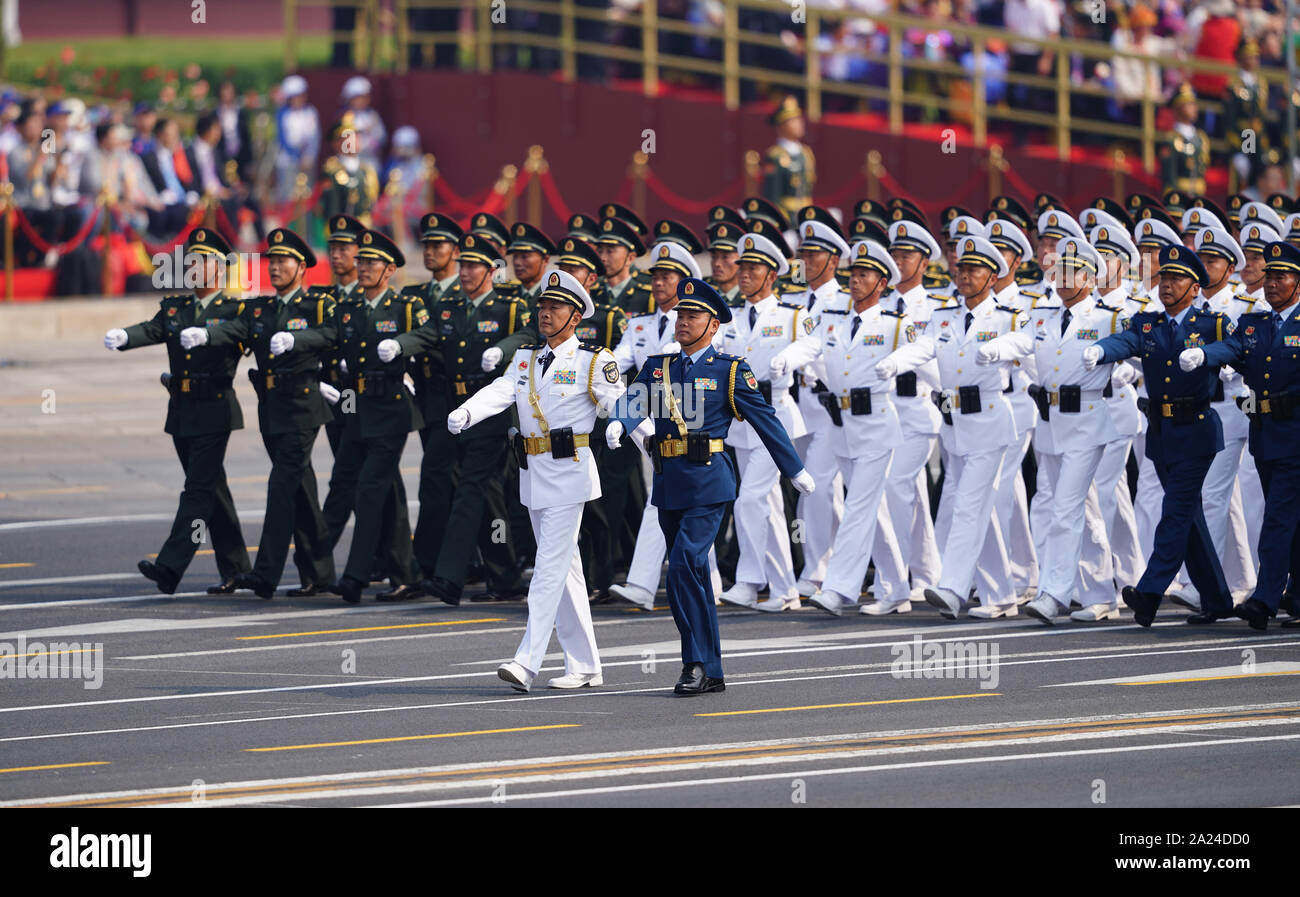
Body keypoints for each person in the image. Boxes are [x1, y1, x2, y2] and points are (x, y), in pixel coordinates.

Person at [613, 278, 814, 695]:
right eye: (679, 316)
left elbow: (766, 421)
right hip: (669, 481)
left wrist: (793, 468)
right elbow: (634, 402)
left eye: (691, 316)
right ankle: (708, 667)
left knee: (685, 563)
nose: (682, 322)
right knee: (693, 576)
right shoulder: (658, 366)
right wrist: (621, 421)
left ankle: (696, 663)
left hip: (709, 481)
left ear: (713, 325)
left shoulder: (729, 370)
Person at [449, 270, 625, 691]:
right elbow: (503, 390)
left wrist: (625, 425)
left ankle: (527, 661)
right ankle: (585, 666)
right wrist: (468, 412)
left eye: (556, 308)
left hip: (570, 473)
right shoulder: (526, 357)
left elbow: (621, 400)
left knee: (547, 567)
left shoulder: (594, 360)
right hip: (533, 473)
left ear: (576, 316)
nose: (546, 314)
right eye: (543, 306)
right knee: (566, 571)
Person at [180, 228, 338, 598]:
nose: (276, 267)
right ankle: (321, 572)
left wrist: (298, 339)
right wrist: (207, 335)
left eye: (283, 260)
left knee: (281, 485)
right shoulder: (260, 308)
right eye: (272, 260)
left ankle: (265, 574)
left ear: (301, 267)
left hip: (303, 408)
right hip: (271, 409)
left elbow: (333, 333)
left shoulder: (317, 305)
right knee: (300, 490)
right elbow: (236, 328)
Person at [1084, 244, 1235, 627]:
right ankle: (1217, 599)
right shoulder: (1148, 322)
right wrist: (1101, 350)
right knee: (1189, 518)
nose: (1167, 285)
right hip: (1162, 431)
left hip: (1197, 430)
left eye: (1177, 278)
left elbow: (1233, 346)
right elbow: (1127, 342)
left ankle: (1149, 592)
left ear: (1195, 285)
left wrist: (1209, 356)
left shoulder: (1211, 323)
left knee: (1175, 511)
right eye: (1164, 278)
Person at [881, 235, 1029, 621]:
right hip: (956, 425)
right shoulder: (944, 316)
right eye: (961, 268)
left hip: (991, 422)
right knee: (982, 509)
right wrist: (896, 362)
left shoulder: (1007, 315)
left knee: (968, 505)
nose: (964, 276)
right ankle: (1000, 594)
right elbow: (925, 346)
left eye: (974, 269)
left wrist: (1001, 349)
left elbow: (1025, 341)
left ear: (992, 275)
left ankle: (953, 587)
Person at [978, 239, 1121, 624]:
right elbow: (1023, 339)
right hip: (1052, 420)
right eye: (1057, 271)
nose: (1060, 279)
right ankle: (1101, 592)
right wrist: (996, 348)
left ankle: (1054, 592)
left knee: (1066, 508)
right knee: (1080, 508)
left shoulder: (1107, 316)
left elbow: (1134, 348)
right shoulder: (1043, 315)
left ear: (1090, 277)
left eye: (1071, 272)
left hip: (1088, 419)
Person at [104, 228, 251, 596]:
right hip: (182, 411)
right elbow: (153, 329)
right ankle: (237, 569)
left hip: (215, 410)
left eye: (203, 261)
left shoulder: (234, 310)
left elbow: (245, 333)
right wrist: (125, 337)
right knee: (213, 491)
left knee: (197, 491)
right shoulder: (177, 308)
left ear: (219, 269)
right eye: (191, 261)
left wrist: (210, 335)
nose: (194, 267)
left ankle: (170, 567)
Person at [397, 232, 530, 605]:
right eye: (463, 266)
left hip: (489, 412)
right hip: (453, 410)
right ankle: (503, 576)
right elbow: (429, 334)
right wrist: (399, 347)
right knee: (466, 490)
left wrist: (502, 349)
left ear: (491, 270)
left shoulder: (509, 306)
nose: (466, 272)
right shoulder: (450, 306)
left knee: (472, 490)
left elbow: (531, 332)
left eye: (473, 267)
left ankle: (449, 577)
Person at [1180, 241, 1300, 630]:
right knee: (1289, 519)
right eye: (1269, 276)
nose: (1272, 283)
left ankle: (1265, 599)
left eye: (1282, 276)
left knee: (1278, 518)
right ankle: (1297, 597)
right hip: (1266, 433)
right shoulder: (1255, 323)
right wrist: (1204, 355)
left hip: (1297, 435)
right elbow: (1232, 347)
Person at [799, 240, 915, 616]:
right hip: (842, 426)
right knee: (871, 509)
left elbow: (923, 351)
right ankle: (897, 587)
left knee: (858, 506)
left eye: (865, 275)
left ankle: (839, 588)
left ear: (882, 284)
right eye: (853, 274)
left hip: (878, 426)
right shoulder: (835, 320)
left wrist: (898, 363)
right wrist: (788, 358)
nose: (856, 280)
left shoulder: (895, 323)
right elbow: (811, 346)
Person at [715, 229, 814, 613]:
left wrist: (790, 357)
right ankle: (784, 589)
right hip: (741, 421)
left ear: (772, 275)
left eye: (754, 268)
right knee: (768, 506)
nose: (744, 273)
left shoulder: (791, 314)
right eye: (742, 267)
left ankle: (749, 580)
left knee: (751, 498)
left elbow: (812, 343)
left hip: (776, 417)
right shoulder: (732, 317)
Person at [761, 96, 815, 223]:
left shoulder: (806, 153)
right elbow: (772, 196)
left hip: (806, 216)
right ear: (781, 126)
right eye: (793, 120)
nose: (799, 123)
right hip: (786, 218)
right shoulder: (775, 156)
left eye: (799, 119)